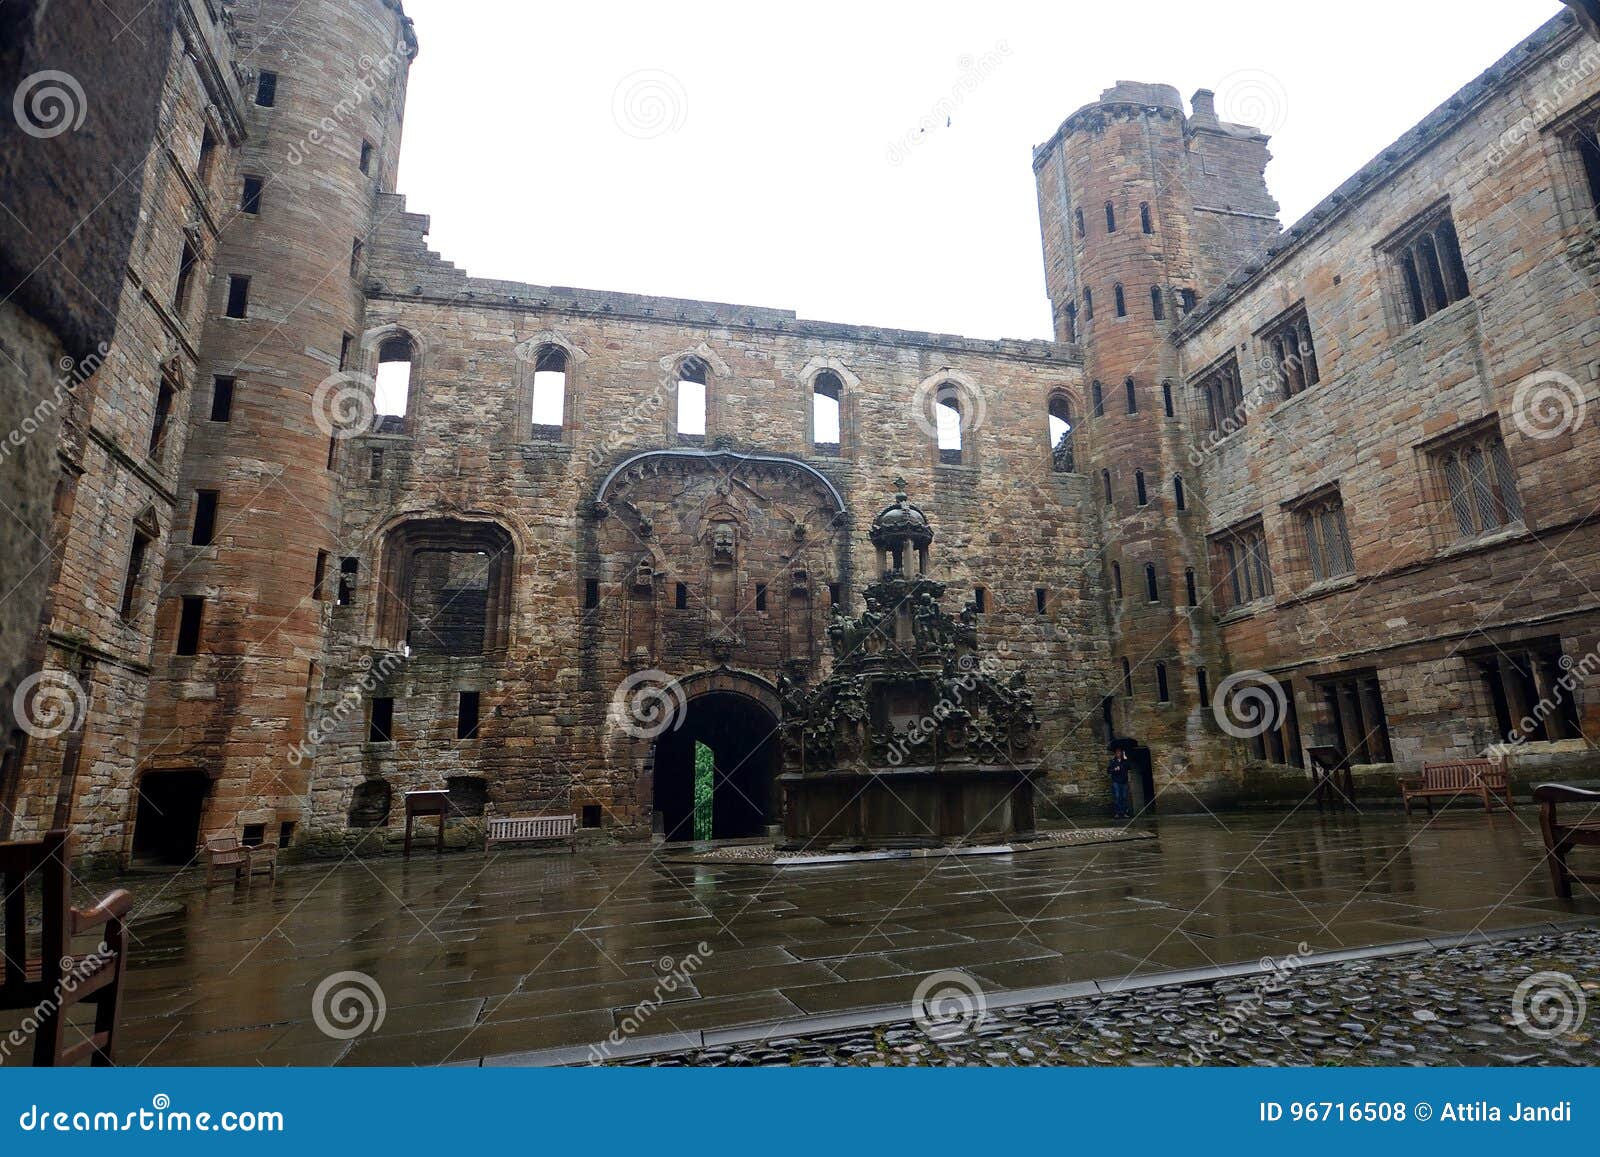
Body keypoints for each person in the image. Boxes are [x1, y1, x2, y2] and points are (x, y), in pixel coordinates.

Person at [1106, 745, 1132, 820]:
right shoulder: (1113, 761)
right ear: (1115, 753)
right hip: (1116, 781)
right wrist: (1114, 769)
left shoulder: (1125, 761)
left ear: (1121, 753)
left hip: (1124, 781)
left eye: (1119, 752)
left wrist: (1126, 759)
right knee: (1117, 797)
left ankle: (1124, 813)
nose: (1118, 753)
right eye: (1117, 752)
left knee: (1124, 797)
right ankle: (1117, 813)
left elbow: (1129, 767)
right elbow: (1108, 771)